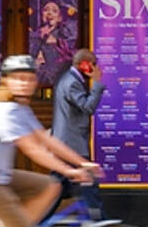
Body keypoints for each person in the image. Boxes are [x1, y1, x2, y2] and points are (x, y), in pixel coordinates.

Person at [0, 54, 103, 227]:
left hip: (1, 176)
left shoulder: (22, 109)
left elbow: (48, 141)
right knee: (21, 223)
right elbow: (33, 150)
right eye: (18, 79)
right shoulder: (5, 112)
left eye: (29, 79)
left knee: (52, 185)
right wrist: (69, 171)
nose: (24, 84)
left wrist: (82, 163)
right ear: (5, 81)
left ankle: (9, 223)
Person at [52, 49, 106, 217]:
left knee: (59, 187)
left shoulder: (71, 79)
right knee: (85, 181)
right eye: (94, 64)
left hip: (68, 141)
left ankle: (97, 218)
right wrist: (96, 83)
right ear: (85, 64)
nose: (97, 68)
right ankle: (98, 219)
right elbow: (87, 107)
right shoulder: (72, 83)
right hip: (71, 142)